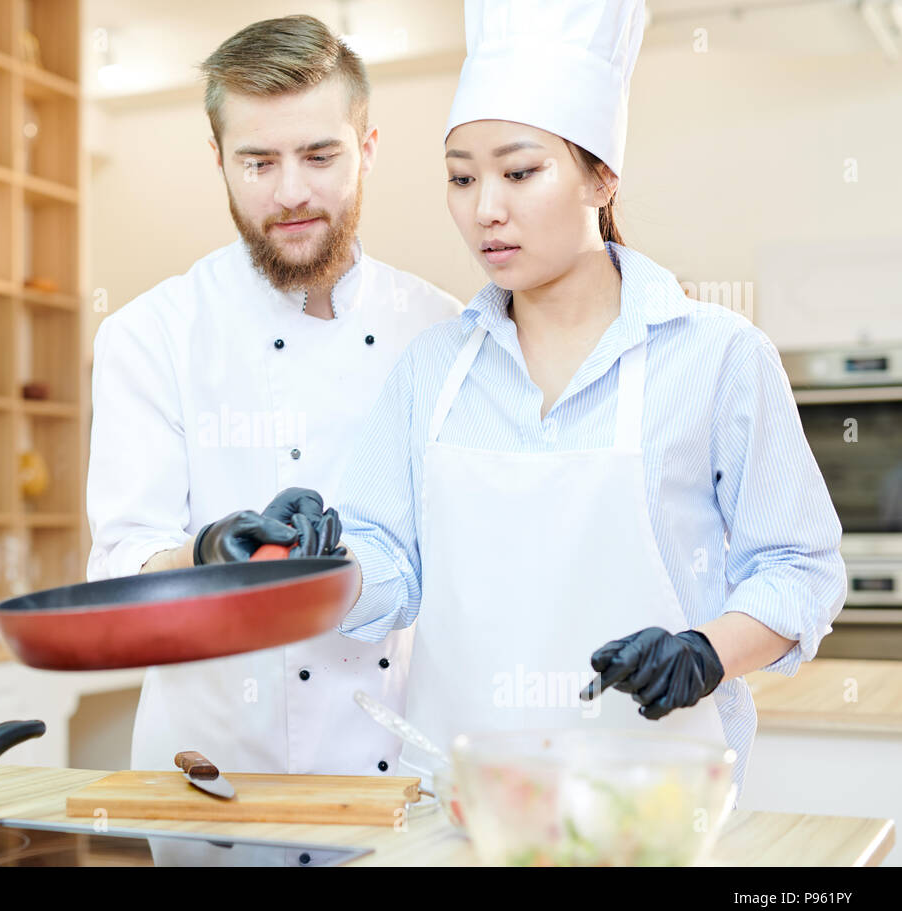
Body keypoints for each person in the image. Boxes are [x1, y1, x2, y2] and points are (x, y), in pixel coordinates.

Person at [295, 0, 846, 799]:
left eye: (520, 172)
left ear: (601, 176)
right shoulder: (432, 369)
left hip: (656, 804)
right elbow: (388, 569)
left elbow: (798, 567)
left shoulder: (719, 356)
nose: (486, 208)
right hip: (464, 805)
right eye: (461, 177)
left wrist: (704, 651)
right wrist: (314, 561)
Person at [86, 15, 462, 775]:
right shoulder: (150, 335)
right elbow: (120, 578)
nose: (292, 194)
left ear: (369, 149)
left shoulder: (443, 331)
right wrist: (203, 552)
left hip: (404, 776)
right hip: (214, 778)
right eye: (258, 162)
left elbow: (466, 563)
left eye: (320, 156)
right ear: (219, 159)